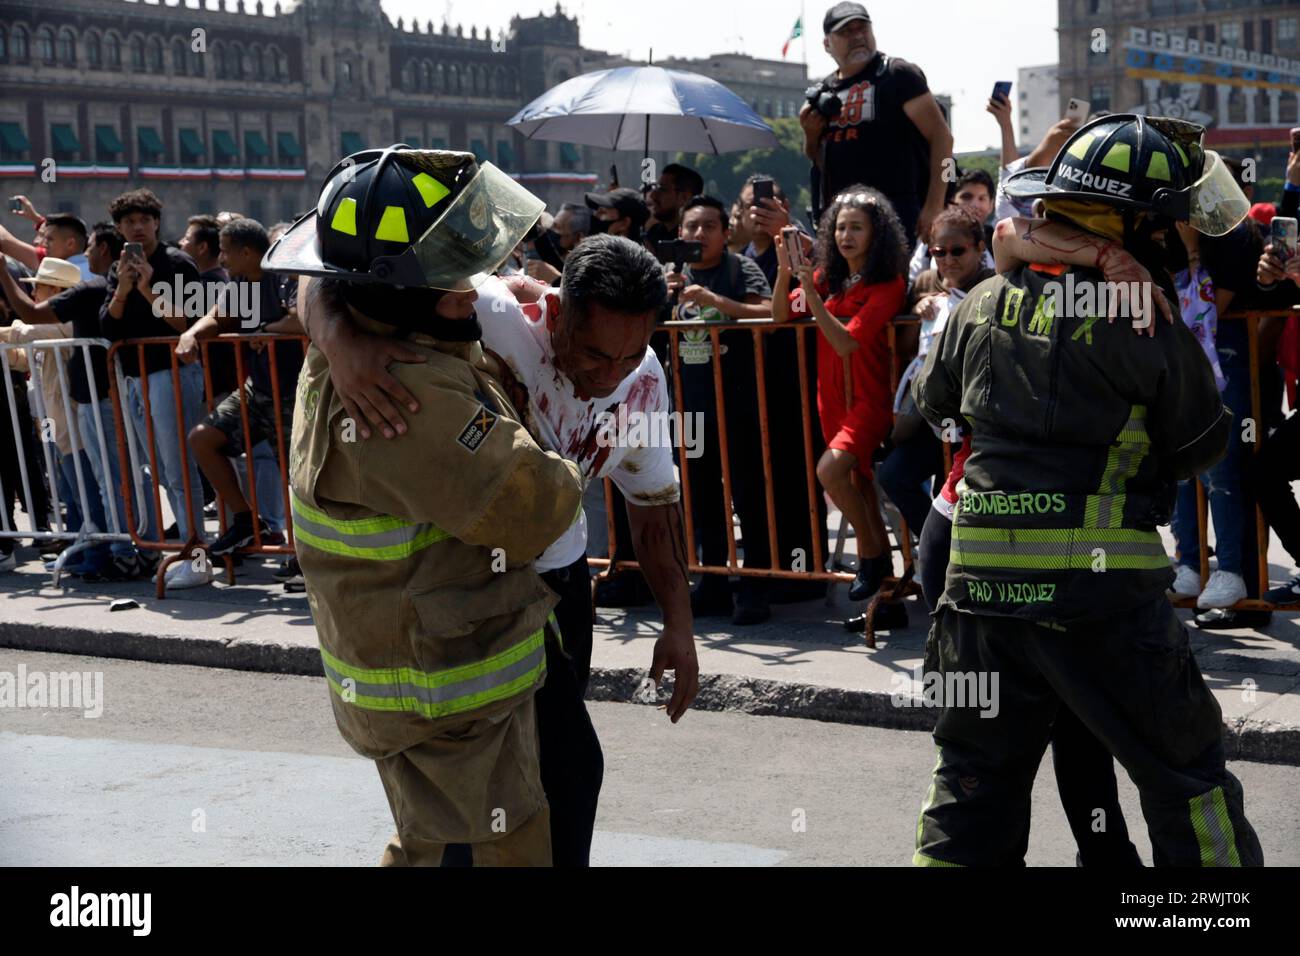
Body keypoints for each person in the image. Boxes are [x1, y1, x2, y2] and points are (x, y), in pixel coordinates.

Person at [910, 113, 1263, 866]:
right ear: (1139, 223)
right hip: (1100, 604)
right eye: (1174, 225)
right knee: (1183, 777)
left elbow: (934, 407)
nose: (1184, 239)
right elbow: (1203, 442)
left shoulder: (977, 304)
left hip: (977, 597)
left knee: (970, 786)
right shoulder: (1147, 322)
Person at [299, 229, 701, 866]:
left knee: (529, 782)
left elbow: (653, 508)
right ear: (559, 312)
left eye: (630, 356)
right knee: (543, 779)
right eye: (595, 355)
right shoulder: (487, 312)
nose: (608, 377)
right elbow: (320, 264)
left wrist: (679, 627)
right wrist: (339, 340)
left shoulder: (642, 382)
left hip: (564, 590)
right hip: (475, 592)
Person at [261, 145, 586, 866]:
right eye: (453, 278)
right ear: (403, 294)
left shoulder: (356, 336)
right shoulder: (409, 398)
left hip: (402, 666)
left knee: (432, 838)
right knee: (493, 844)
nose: (476, 288)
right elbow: (539, 507)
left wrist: (334, 327)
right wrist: (580, 436)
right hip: (445, 685)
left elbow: (317, 278)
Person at [772, 185, 908, 606]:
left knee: (830, 472)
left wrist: (813, 297)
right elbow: (780, 315)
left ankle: (872, 558)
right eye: (841, 227)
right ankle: (883, 588)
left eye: (857, 228)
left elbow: (848, 342)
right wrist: (785, 271)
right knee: (857, 482)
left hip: (869, 400)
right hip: (829, 397)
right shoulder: (826, 278)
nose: (845, 236)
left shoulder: (888, 284)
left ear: (877, 234)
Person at [172, 218, 304, 589]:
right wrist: (192, 334)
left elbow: (301, 320)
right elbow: (218, 315)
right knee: (203, 439)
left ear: (247, 252)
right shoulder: (242, 283)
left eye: (227, 251)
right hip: (258, 390)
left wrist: (265, 331)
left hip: (295, 393)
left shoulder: (284, 276)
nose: (223, 259)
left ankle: (305, 555)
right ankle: (248, 522)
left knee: (297, 479)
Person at [666, 195, 776, 623]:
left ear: (725, 233)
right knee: (700, 496)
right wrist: (665, 296)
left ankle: (755, 585)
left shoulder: (739, 267)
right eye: (692, 226)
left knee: (748, 493)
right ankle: (710, 582)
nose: (700, 234)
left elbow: (769, 312)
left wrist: (718, 301)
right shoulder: (673, 275)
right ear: (681, 234)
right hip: (689, 405)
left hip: (739, 400)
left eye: (709, 226)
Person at [98, 188, 205, 557]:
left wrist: (147, 288)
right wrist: (124, 289)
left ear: (157, 222)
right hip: (134, 377)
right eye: (129, 222)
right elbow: (108, 328)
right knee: (158, 467)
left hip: (171, 373)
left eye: (144, 220)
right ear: (119, 228)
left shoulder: (178, 263)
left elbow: (186, 324)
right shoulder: (118, 269)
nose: (138, 227)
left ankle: (195, 546)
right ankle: (192, 538)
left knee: (178, 466)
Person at [800, 3, 952, 243]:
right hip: (845, 222)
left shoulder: (898, 74)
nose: (857, 36)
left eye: (862, 28)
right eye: (846, 31)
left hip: (898, 215)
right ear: (827, 44)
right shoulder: (824, 92)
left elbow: (944, 139)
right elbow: (819, 161)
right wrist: (810, 135)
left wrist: (936, 203)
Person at [906, 170, 996, 283]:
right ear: (952, 200)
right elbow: (912, 284)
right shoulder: (929, 241)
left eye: (982, 198)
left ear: (991, 205)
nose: (974, 205)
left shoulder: (998, 241)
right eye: (940, 253)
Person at [644, 162, 703, 250]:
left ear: (684, 198)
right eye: (655, 188)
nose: (653, 195)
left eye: (662, 189)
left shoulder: (696, 238)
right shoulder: (654, 232)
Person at [584, 187, 650, 244]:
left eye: (603, 212)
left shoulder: (626, 257)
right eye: (597, 211)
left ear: (624, 223)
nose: (596, 215)